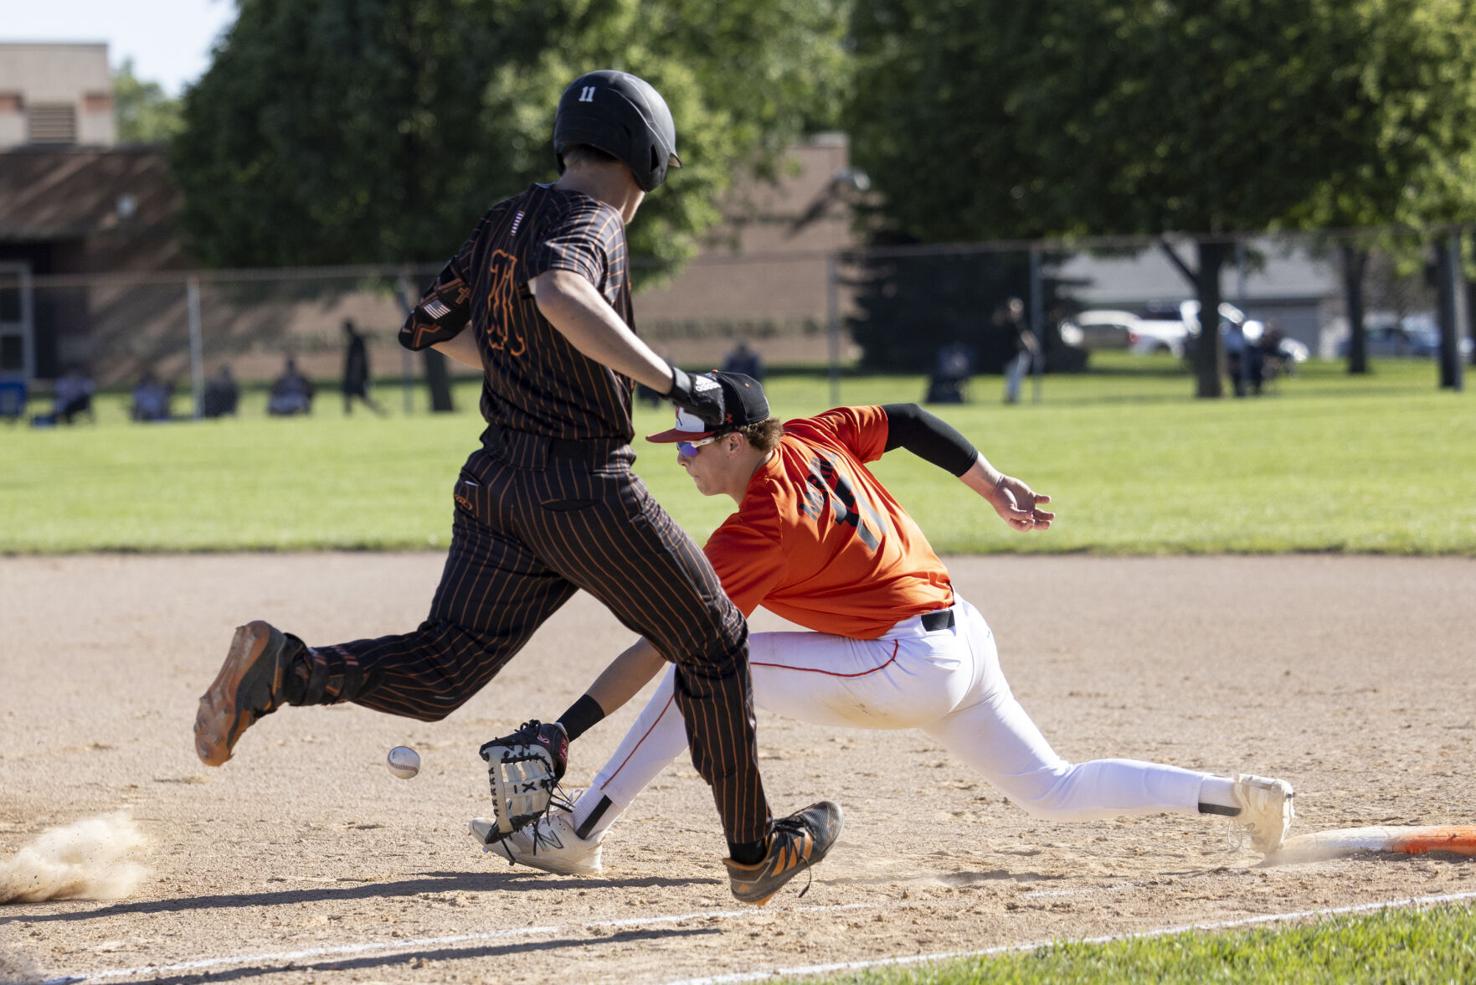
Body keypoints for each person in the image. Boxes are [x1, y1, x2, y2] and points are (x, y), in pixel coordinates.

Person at [192, 70, 840, 907]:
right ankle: (755, 853)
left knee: (438, 672)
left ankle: (291, 669)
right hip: (582, 485)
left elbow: (430, 325)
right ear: (643, 156)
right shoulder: (593, 220)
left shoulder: (508, 216)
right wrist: (675, 382)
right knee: (713, 637)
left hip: (498, 481)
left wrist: (532, 352)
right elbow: (561, 290)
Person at [475, 373, 1296, 876]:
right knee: (1053, 786)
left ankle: (574, 833)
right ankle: (1236, 796)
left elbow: (661, 641)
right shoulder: (810, 435)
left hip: (903, 660)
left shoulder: (760, 525)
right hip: (964, 639)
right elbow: (905, 418)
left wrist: (568, 724)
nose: (680, 458)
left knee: (711, 663)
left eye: (690, 445)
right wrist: (991, 481)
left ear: (731, 442)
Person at [996, 297, 1038, 404]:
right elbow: (1023, 337)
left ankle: (1012, 397)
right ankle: (1010, 397)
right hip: (1010, 353)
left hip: (1019, 353)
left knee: (1016, 376)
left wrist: (1031, 346)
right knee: (1012, 376)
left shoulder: (1019, 322)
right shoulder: (1007, 321)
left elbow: (1025, 335)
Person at [341, 319, 387, 415]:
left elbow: (358, 358)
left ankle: (380, 411)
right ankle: (348, 413)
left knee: (360, 396)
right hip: (355, 374)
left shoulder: (356, 340)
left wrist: (355, 374)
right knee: (349, 394)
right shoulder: (354, 339)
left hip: (357, 375)